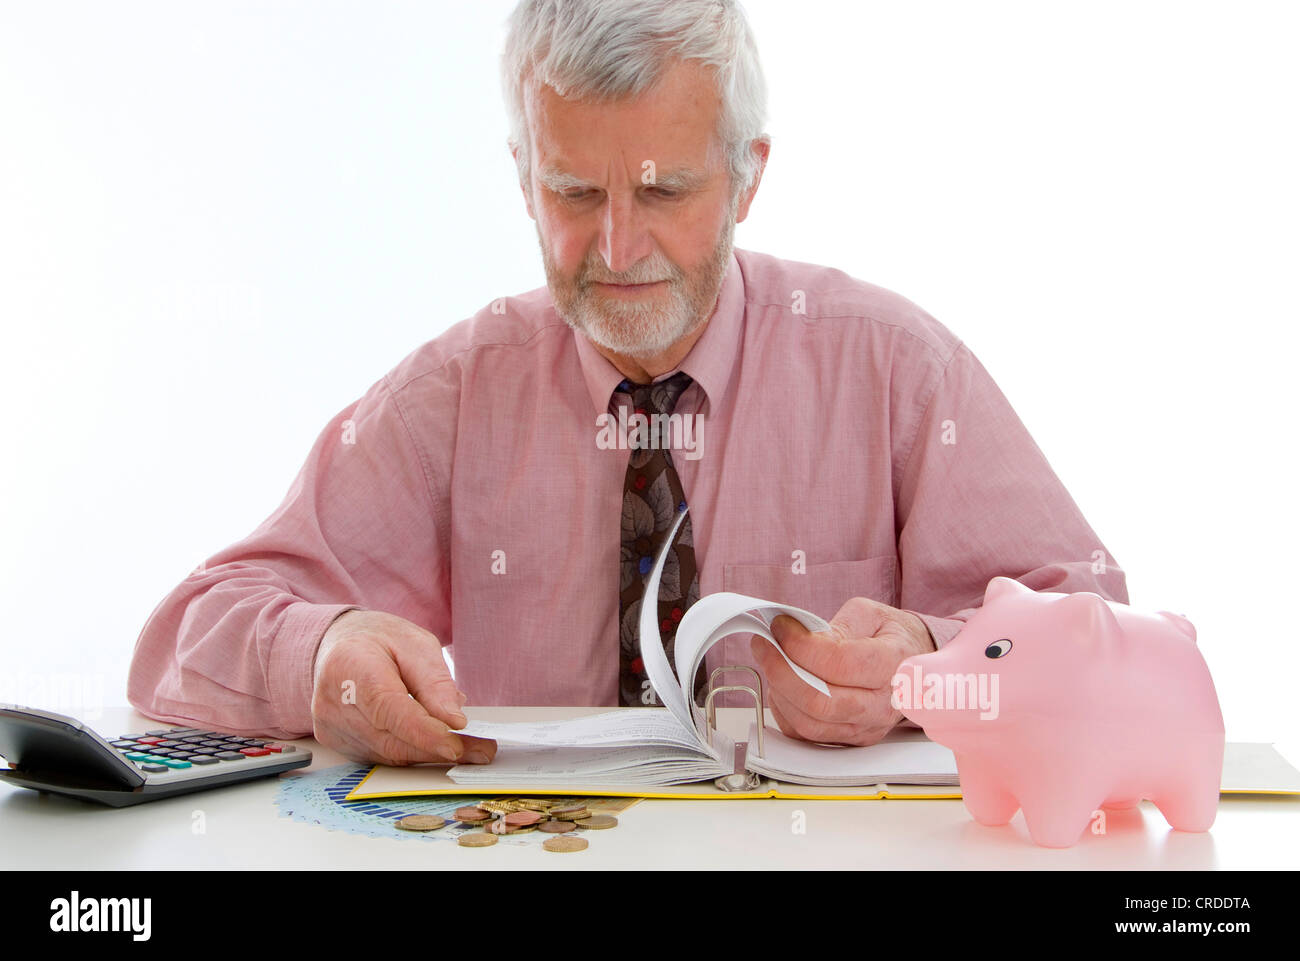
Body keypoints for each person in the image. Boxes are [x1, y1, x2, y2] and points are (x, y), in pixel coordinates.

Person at [128, 0, 1127, 766]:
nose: (615, 246)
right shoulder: (457, 395)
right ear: (522, 175)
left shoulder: (895, 370)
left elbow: (1106, 635)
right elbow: (187, 631)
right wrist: (320, 655)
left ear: (747, 175)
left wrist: (926, 672)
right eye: (571, 192)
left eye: (662, 189)